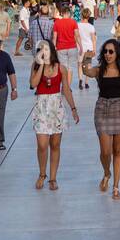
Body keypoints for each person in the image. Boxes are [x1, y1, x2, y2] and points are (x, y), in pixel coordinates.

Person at [82, 38, 120, 200]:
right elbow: (86, 72)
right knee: (105, 151)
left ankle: (116, 186)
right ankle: (106, 172)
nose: (108, 54)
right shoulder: (99, 70)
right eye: (105, 51)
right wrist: (86, 58)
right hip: (103, 110)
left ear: (117, 53)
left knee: (118, 150)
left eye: (111, 51)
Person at [30, 40, 80, 191]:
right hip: (42, 107)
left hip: (56, 108)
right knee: (42, 145)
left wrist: (73, 108)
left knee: (55, 145)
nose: (44, 52)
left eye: (46, 49)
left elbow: (66, 89)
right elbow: (33, 84)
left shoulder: (61, 68)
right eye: (41, 49)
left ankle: (52, 178)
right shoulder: (36, 66)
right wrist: (41, 65)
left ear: (51, 50)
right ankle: (42, 174)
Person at [76, 10, 97, 90]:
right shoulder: (91, 27)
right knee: (88, 65)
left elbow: (76, 36)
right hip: (89, 48)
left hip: (80, 48)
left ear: (81, 15)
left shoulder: (78, 25)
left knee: (80, 64)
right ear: (89, 16)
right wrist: (94, 49)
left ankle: (80, 80)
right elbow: (93, 39)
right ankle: (86, 82)